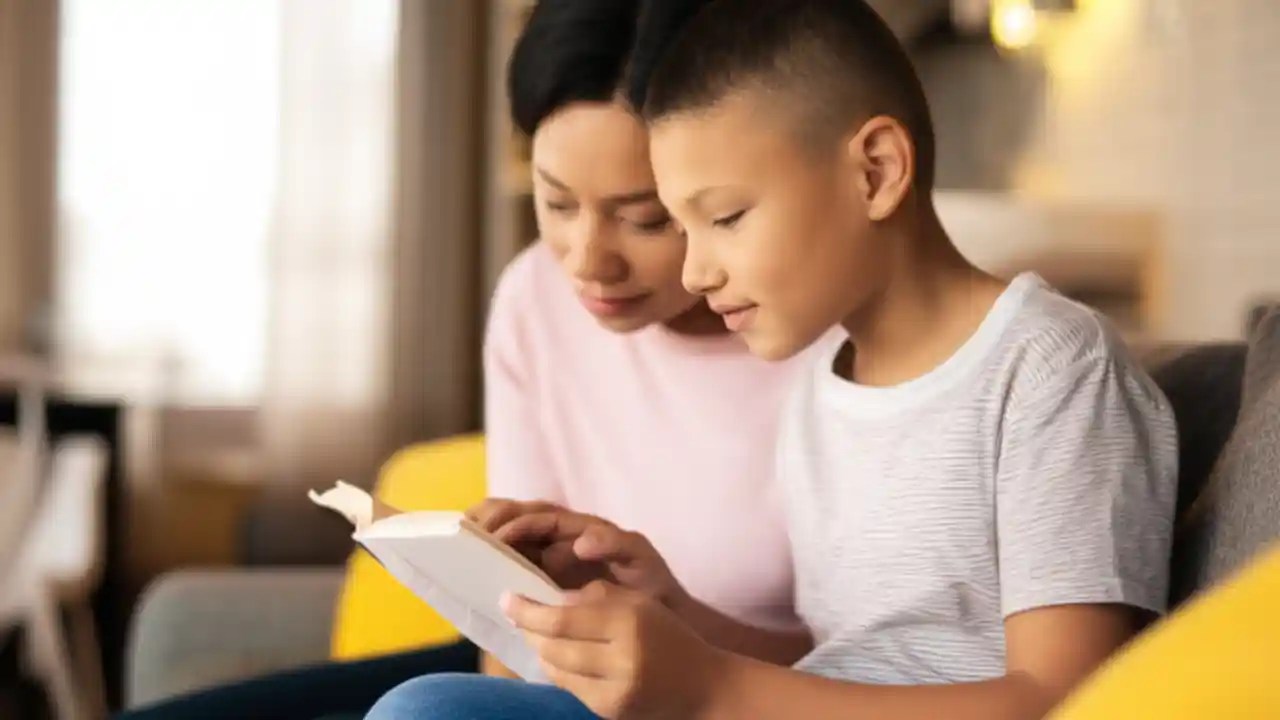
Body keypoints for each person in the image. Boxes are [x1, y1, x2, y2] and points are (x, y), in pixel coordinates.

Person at [366, 0, 1178, 718]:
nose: (694, 273)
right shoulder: (827, 387)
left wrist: (714, 688)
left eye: (723, 219)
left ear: (876, 171)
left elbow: (1069, 701)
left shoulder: (1050, 370)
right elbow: (834, 668)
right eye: (683, 225)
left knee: (428, 709)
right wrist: (677, 614)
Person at [113, 1, 819, 718]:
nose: (588, 262)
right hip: (546, 664)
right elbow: (514, 622)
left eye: (645, 219)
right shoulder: (535, 294)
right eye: (558, 203)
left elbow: (865, 680)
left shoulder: (821, 339)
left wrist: (680, 635)